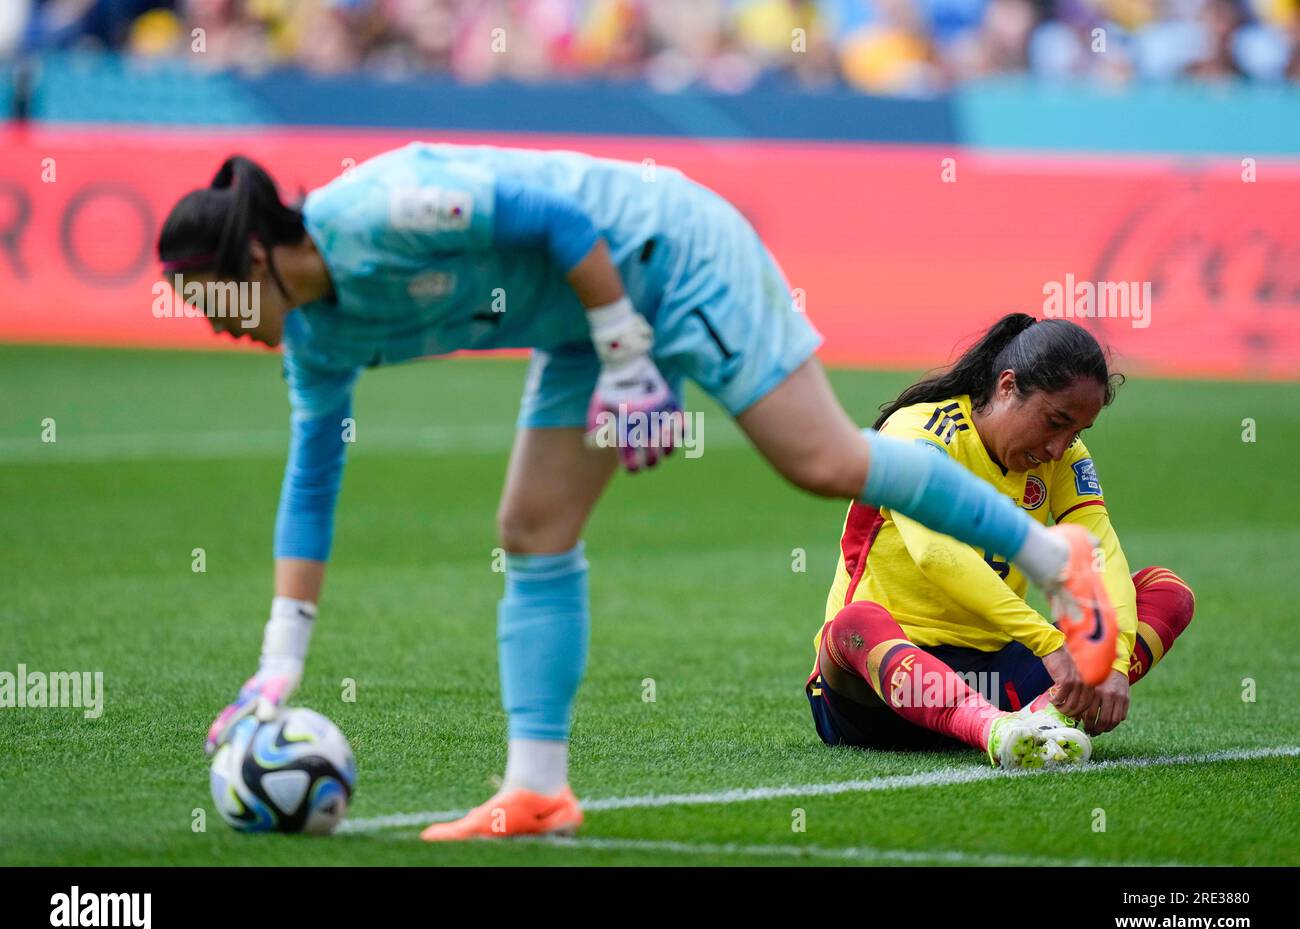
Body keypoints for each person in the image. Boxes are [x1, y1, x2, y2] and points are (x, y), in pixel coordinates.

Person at [158, 145, 1115, 839]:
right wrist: (277, 667)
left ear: (254, 261)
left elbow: (557, 222)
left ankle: (1051, 558)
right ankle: (537, 792)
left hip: (669, 254)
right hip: (585, 314)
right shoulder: (313, 339)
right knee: (532, 529)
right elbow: (313, 478)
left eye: (217, 305)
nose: (220, 328)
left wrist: (627, 356)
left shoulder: (386, 204)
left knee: (820, 460)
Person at [806, 314, 1196, 766]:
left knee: (1165, 590)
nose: (1058, 447)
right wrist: (1047, 641)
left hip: (997, 681)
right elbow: (936, 552)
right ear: (1008, 387)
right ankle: (995, 729)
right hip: (884, 690)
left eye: (1076, 433)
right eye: (1055, 422)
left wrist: (1111, 656)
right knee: (854, 625)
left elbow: (1100, 550)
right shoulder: (916, 434)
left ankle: (1045, 718)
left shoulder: (1062, 457)